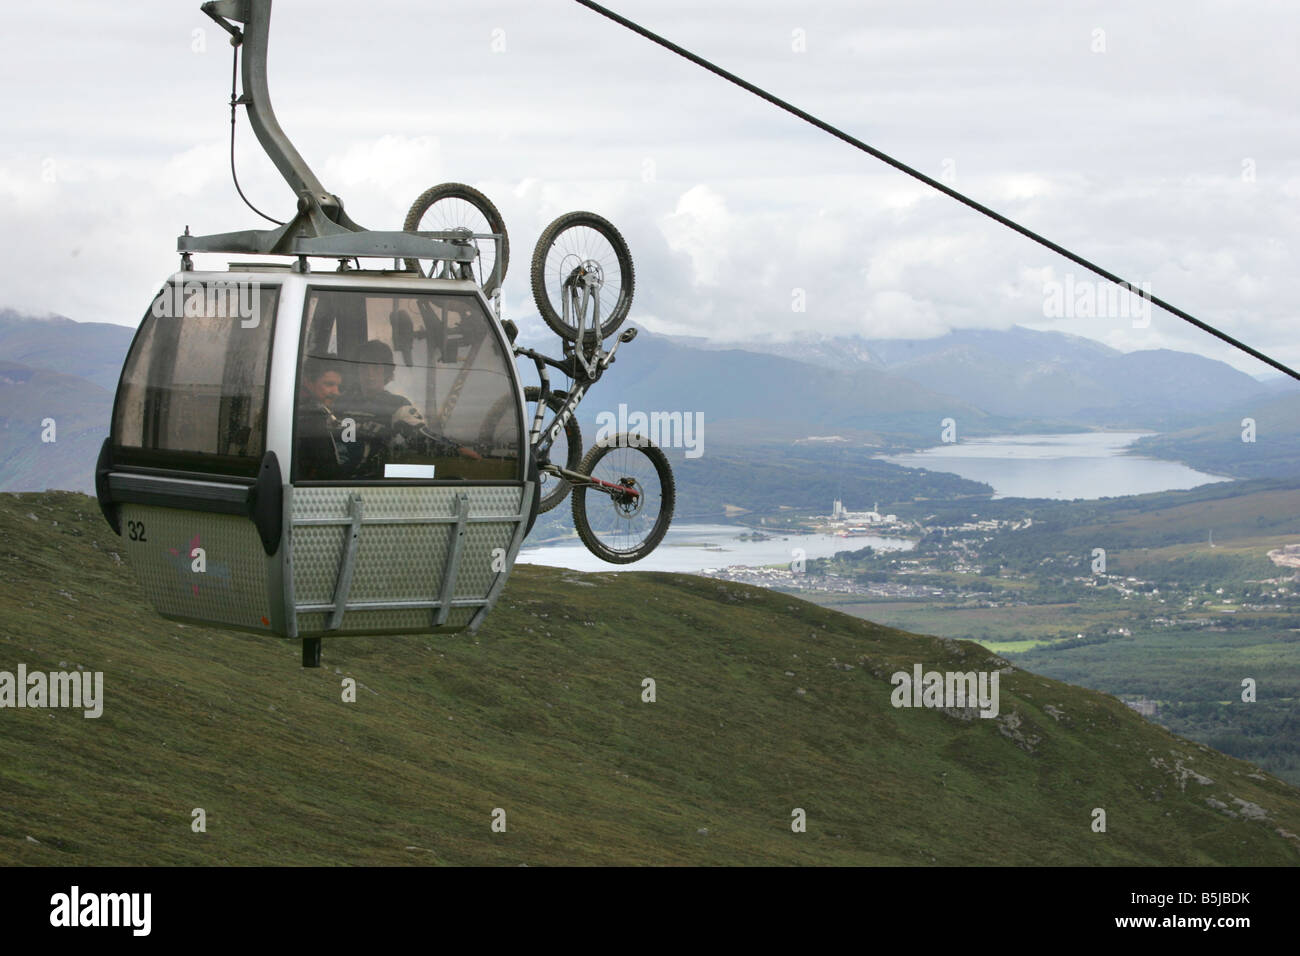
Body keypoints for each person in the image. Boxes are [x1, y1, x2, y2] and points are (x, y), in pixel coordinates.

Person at [296, 357, 346, 480]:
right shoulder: (305, 416)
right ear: (309, 383)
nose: (336, 392)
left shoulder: (325, 413)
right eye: (329, 384)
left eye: (339, 387)